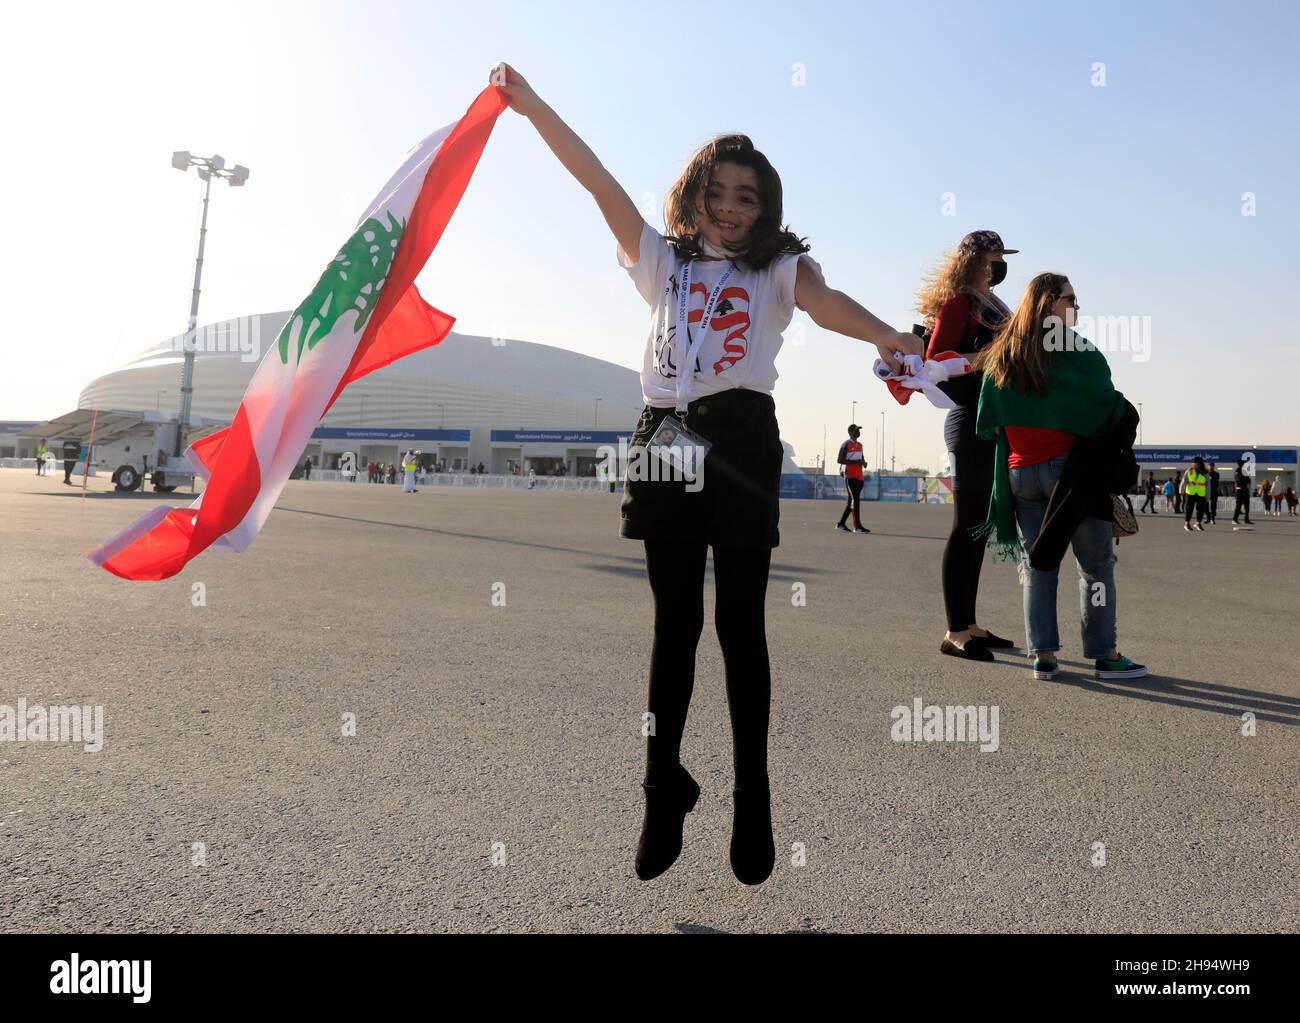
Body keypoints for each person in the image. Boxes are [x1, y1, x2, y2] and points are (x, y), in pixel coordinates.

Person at [491, 63, 921, 886]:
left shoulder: (779, 270)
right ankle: (663, 786)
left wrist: (889, 338)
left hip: (740, 441)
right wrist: (533, 104)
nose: (728, 206)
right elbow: (596, 181)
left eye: (746, 196)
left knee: (740, 628)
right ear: (694, 194)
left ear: (766, 208)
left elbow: (831, 307)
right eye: (717, 191)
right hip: (663, 440)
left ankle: (752, 796)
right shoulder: (660, 261)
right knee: (673, 625)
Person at [973, 272, 1148, 682]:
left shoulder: (1003, 352)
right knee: (1096, 565)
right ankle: (1106, 656)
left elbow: (988, 420)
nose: (1076, 308)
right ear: (1048, 303)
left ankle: (1045, 657)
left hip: (1019, 475)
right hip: (1069, 476)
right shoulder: (1076, 352)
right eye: (1070, 299)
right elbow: (1106, 408)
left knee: (1039, 564)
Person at [916, 230, 1018, 660]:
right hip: (968, 421)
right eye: (994, 255)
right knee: (966, 525)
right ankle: (955, 631)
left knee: (979, 527)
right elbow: (935, 361)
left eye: (1002, 255)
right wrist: (988, 358)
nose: (1000, 262)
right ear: (974, 259)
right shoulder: (959, 301)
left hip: (992, 422)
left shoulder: (992, 303)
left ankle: (970, 622)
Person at [835, 424, 869, 533]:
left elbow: (861, 458)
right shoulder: (845, 444)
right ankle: (857, 526)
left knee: (852, 501)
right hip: (850, 475)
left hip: (859, 476)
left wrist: (863, 463)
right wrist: (854, 462)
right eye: (855, 430)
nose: (858, 432)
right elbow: (839, 460)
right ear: (850, 432)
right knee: (855, 500)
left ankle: (841, 524)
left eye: (858, 430)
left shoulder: (860, 445)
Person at [1182, 456, 1209, 531]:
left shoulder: (1205, 473)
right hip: (1190, 492)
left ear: (1199, 463)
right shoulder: (1189, 471)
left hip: (1201, 493)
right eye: (1193, 463)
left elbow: (1208, 485)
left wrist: (1208, 496)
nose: (1193, 464)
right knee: (1189, 508)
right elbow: (1184, 480)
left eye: (1195, 463)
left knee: (1200, 509)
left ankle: (1198, 523)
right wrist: (1181, 489)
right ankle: (1186, 523)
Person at [1232, 456, 1254, 525]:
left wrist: (1247, 479)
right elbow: (1240, 480)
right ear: (1240, 464)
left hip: (1245, 490)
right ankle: (1234, 519)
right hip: (1240, 490)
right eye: (1243, 463)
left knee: (1247, 506)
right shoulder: (1238, 471)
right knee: (1238, 506)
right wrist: (1246, 479)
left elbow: (1248, 479)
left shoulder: (1244, 471)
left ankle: (1246, 519)